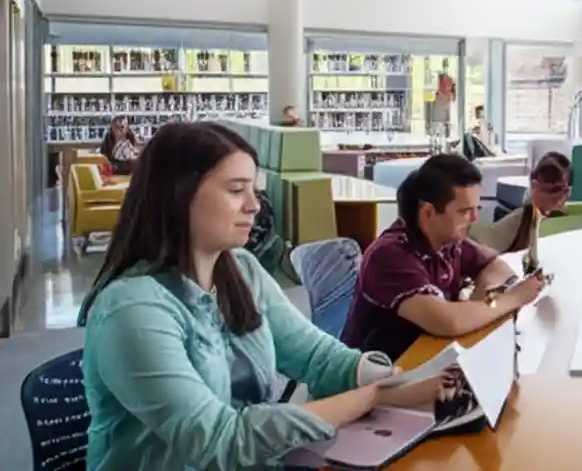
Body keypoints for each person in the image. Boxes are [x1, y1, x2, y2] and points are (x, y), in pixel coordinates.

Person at [77, 122, 450, 471]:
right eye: (236, 190)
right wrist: (373, 395)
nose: (254, 206)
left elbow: (317, 357)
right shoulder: (132, 310)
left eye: (254, 191)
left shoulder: (241, 269)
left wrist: (398, 379)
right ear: (178, 195)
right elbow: (220, 441)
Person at [342, 154, 545, 359]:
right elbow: (449, 322)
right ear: (428, 213)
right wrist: (513, 297)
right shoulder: (388, 256)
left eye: (476, 208)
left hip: (425, 358)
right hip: (375, 374)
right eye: (464, 211)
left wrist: (477, 307)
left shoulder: (448, 242)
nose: (474, 219)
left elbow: (495, 267)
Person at [470, 152, 572, 255]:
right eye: (551, 191)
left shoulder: (564, 220)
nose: (558, 199)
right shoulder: (521, 220)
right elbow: (484, 239)